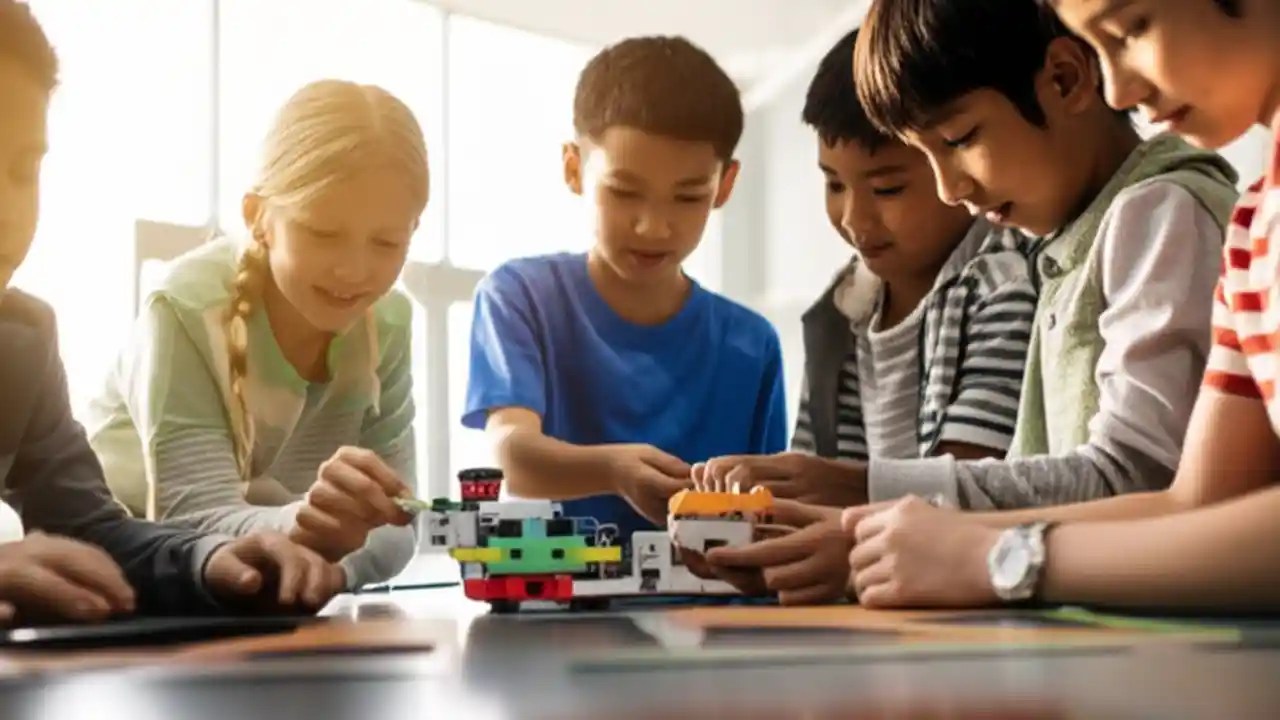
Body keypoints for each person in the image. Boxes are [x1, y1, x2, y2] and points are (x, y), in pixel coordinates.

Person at [699, 0, 1238, 604]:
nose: (950, 189)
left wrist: (862, 502)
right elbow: (1055, 479)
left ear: (1064, 81)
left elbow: (1136, 478)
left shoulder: (1155, 212)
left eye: (959, 139)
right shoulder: (1069, 239)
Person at [844, 0, 1280, 612]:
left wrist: (998, 559)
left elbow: (1140, 478)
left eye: (1132, 28)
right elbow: (1192, 503)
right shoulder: (1252, 226)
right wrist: (892, 540)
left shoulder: (1166, 209)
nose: (1120, 89)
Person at [0, 0, 344, 623]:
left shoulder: (18, 341)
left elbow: (88, 533)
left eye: (22, 170)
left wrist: (210, 559)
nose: (6, 211)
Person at [85, 77, 428, 590]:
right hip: (129, 582)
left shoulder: (389, 324)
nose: (355, 270)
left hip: (270, 589)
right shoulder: (185, 309)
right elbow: (191, 520)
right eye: (323, 233)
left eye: (386, 242)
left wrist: (327, 567)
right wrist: (309, 533)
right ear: (258, 217)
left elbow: (399, 525)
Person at [463, 36, 788, 542]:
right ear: (574, 169)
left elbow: (766, 508)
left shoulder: (753, 345)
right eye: (624, 192)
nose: (652, 227)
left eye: (688, 197)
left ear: (724, 186)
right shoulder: (520, 296)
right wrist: (614, 470)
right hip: (559, 609)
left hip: (718, 610)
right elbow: (512, 454)